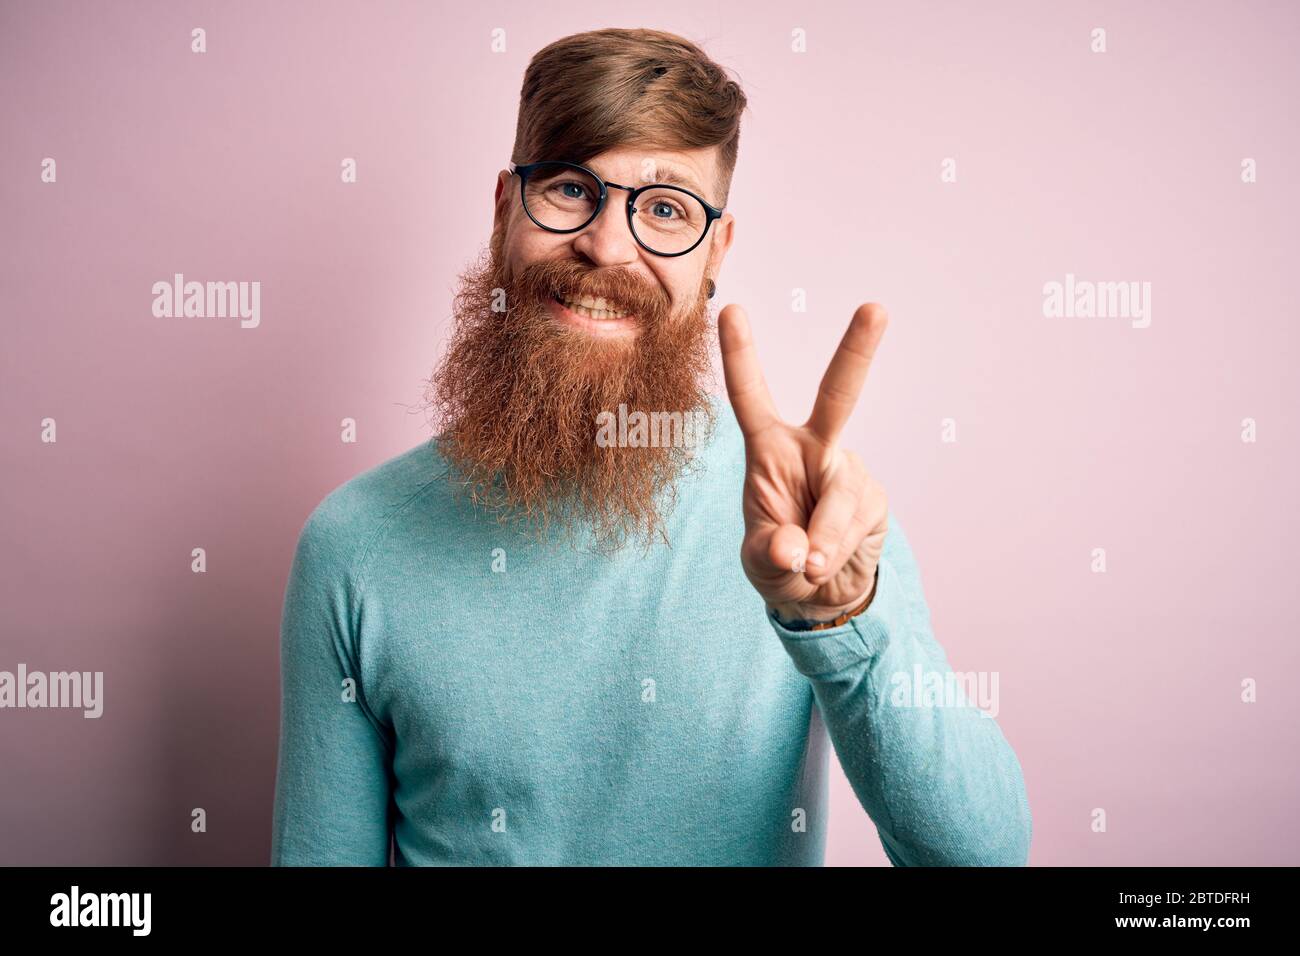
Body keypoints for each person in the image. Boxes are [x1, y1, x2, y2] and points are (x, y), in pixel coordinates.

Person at [271, 27, 1031, 866]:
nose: (606, 245)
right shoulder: (355, 546)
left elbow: (982, 857)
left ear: (716, 255)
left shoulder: (812, 527)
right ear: (502, 212)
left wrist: (839, 622)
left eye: (666, 209)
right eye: (567, 188)